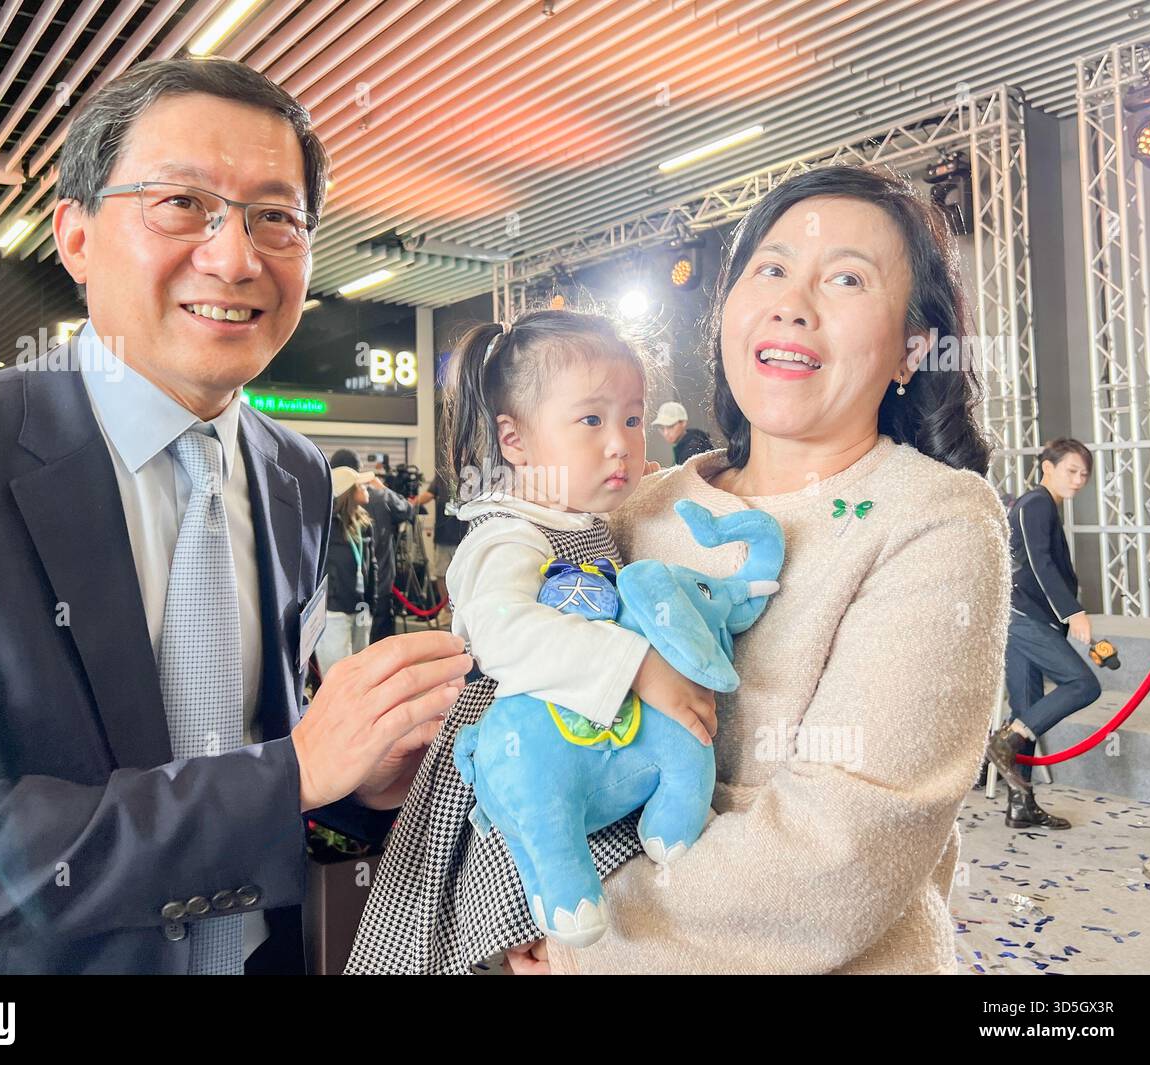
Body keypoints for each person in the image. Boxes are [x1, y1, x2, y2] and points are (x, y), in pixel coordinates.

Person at [0, 57, 471, 975]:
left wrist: (362, 781)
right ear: (75, 236)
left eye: (276, 217)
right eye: (181, 203)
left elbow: (262, 740)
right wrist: (294, 773)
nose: (236, 258)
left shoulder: (297, 473)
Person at [505, 165, 1010, 974]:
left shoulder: (935, 518)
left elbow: (840, 853)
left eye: (847, 278)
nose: (793, 303)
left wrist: (574, 940)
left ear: (913, 349)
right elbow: (527, 723)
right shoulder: (636, 510)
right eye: (770, 268)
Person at [345, 310, 718, 974]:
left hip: (580, 738)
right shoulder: (507, 533)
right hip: (512, 750)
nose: (621, 444)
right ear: (514, 440)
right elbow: (503, 632)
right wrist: (637, 666)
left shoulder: (585, 521)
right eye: (591, 420)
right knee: (515, 895)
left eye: (633, 419)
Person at [986, 438, 1098, 830]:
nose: (1079, 479)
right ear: (1048, 467)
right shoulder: (1037, 503)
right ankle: (1004, 740)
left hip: (1019, 617)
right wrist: (1074, 611)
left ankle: (1021, 805)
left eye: (1084, 474)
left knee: (1028, 710)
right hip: (1026, 618)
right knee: (1083, 685)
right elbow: (1040, 562)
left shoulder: (1039, 505)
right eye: (1072, 470)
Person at [328, 449, 412, 643]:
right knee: (378, 648)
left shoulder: (325, 506)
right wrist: (383, 488)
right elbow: (407, 511)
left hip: (340, 599)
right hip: (376, 592)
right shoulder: (380, 497)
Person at [314, 465, 377, 671]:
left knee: (360, 670)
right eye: (361, 486)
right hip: (334, 610)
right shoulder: (325, 526)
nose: (366, 489)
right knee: (337, 671)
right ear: (347, 492)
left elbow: (372, 564)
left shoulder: (364, 523)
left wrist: (372, 601)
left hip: (361, 607)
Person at [414, 471, 465, 608]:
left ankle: (459, 608)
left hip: (463, 538)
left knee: (462, 575)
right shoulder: (442, 476)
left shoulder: (472, 475)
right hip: (444, 537)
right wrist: (410, 503)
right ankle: (447, 609)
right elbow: (428, 495)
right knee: (441, 573)